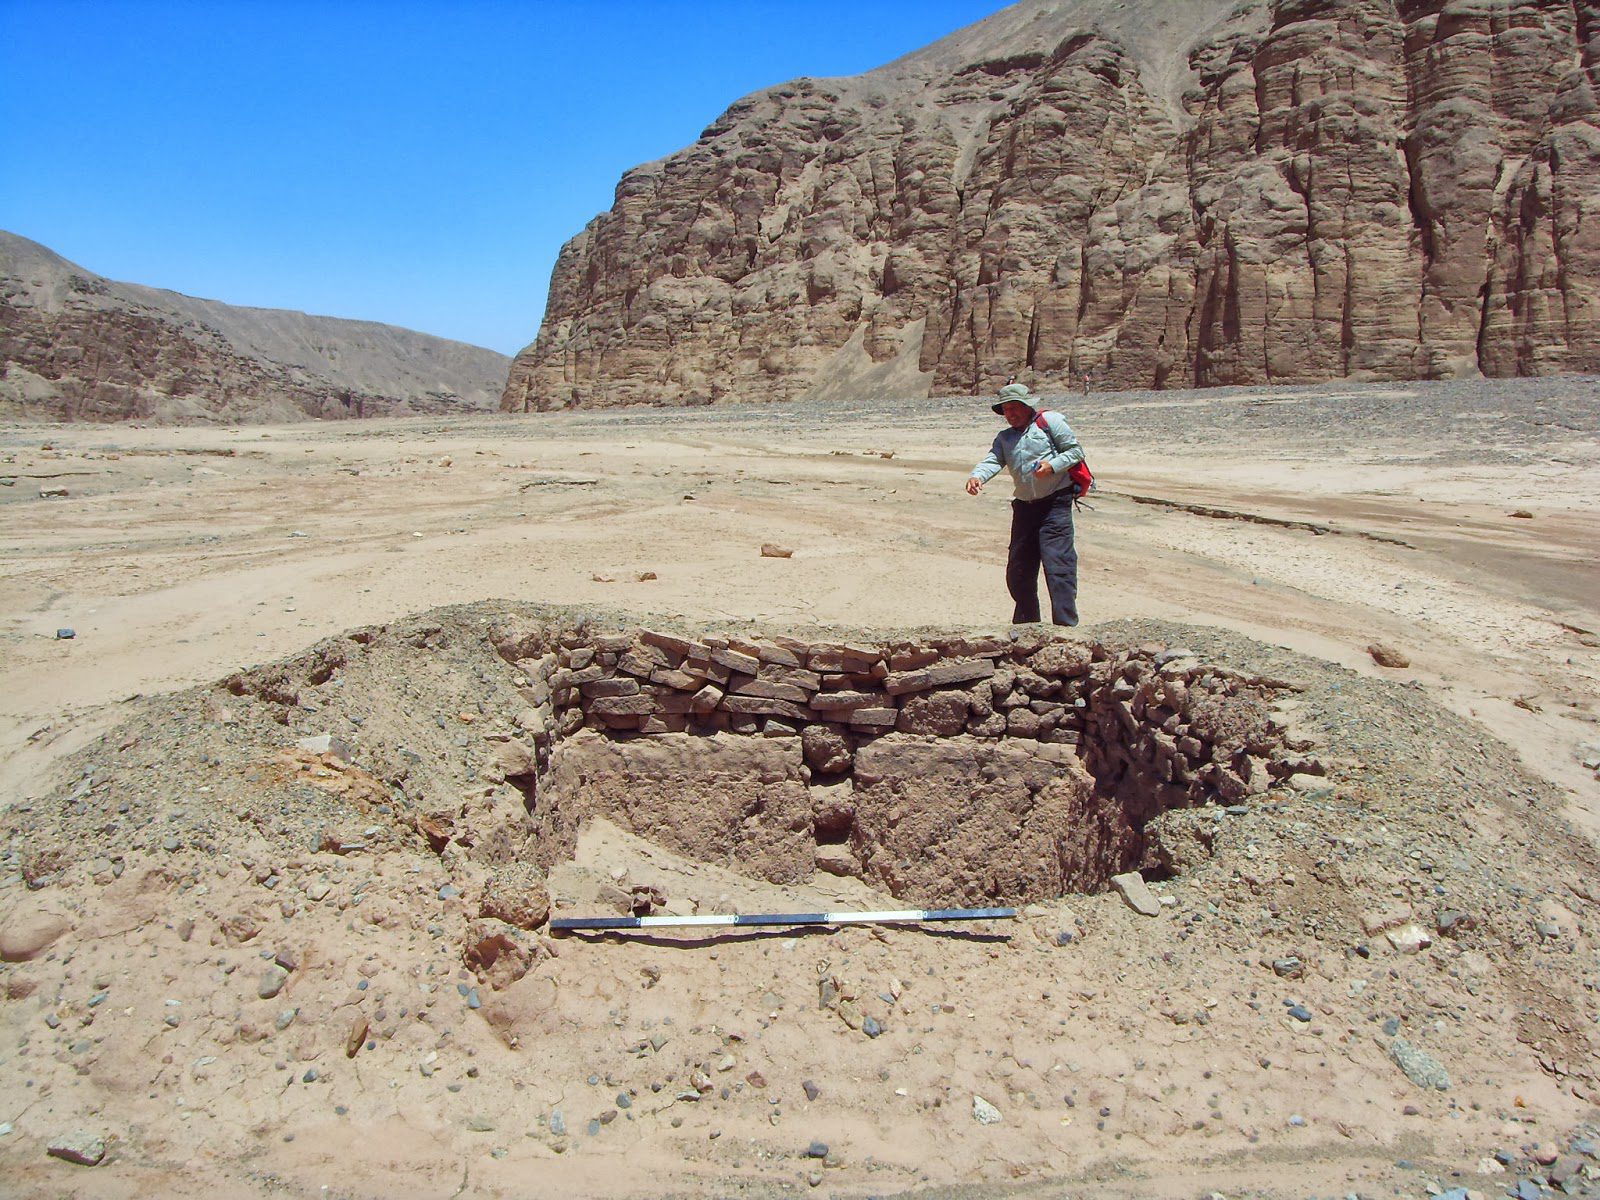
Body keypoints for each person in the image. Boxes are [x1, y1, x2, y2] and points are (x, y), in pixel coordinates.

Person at [964, 380, 1086, 626]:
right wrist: (977, 476)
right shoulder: (1005, 438)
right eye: (1006, 410)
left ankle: (1065, 627)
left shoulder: (1050, 423)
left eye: (1014, 408)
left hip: (1055, 504)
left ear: (1027, 406)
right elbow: (993, 460)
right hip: (1024, 509)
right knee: (1019, 570)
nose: (1010, 414)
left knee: (1058, 566)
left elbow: (1075, 452)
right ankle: (1028, 627)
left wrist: (1052, 466)